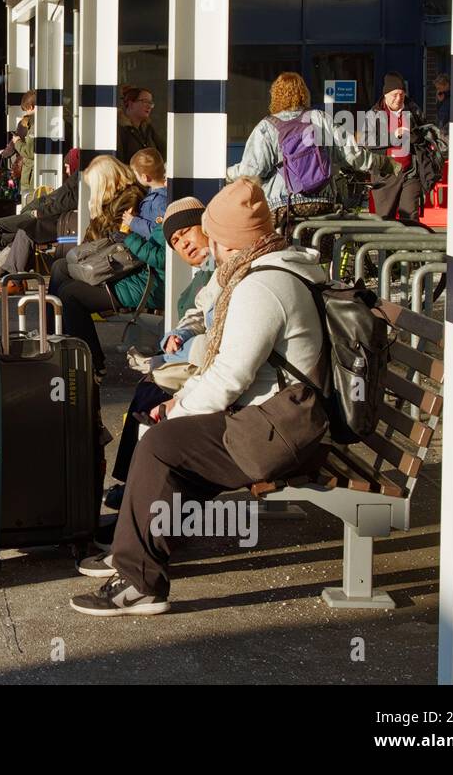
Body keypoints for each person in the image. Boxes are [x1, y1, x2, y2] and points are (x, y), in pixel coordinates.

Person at [71, 178, 328, 616]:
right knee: (170, 439)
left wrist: (177, 413)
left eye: (217, 238)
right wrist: (180, 403)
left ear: (233, 239)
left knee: (161, 445)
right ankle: (136, 551)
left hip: (280, 431)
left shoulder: (262, 286)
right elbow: (227, 368)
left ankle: (140, 580)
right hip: (280, 417)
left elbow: (229, 375)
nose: (213, 249)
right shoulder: (269, 268)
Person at [103, 196, 215, 511]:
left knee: (151, 395)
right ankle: (132, 484)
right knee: (149, 391)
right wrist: (177, 336)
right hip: (202, 365)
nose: (184, 244)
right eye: (176, 241)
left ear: (207, 227)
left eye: (188, 232)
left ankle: (135, 489)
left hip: (222, 379)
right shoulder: (208, 271)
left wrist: (167, 358)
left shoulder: (223, 268)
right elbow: (197, 313)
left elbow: (215, 345)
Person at [46, 158, 163, 379]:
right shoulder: (122, 199)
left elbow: (116, 240)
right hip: (121, 265)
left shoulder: (130, 199)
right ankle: (54, 335)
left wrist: (97, 211)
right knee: (61, 270)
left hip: (126, 268)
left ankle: (89, 360)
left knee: (69, 291)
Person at [230, 72, 387, 230]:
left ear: (275, 96)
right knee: (322, 252)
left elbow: (251, 171)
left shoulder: (266, 127)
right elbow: (350, 153)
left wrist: (228, 173)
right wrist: (382, 163)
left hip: (284, 206)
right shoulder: (320, 118)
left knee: (283, 252)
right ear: (303, 93)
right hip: (322, 202)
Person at [0, 146, 85, 289]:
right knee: (3, 238)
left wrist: (38, 212)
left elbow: (63, 204)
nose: (66, 171)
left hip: (44, 220)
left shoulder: (77, 184)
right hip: (44, 218)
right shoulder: (74, 182)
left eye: (68, 166)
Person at [365, 72, 428, 221]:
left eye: (401, 94)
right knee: (385, 218)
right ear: (385, 95)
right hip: (385, 174)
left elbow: (424, 136)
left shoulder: (413, 111)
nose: (398, 99)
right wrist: (394, 136)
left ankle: (411, 244)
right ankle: (386, 245)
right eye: (394, 95)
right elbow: (367, 142)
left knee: (410, 216)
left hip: (410, 172)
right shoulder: (374, 114)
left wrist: (411, 135)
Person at [125, 148, 168, 239]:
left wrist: (133, 222)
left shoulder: (160, 201)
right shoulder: (153, 193)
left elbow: (158, 234)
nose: (136, 178)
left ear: (145, 177)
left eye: (136, 175)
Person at [118, 85, 164, 162]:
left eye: (150, 103)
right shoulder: (119, 130)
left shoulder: (148, 128)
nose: (149, 106)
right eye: (145, 102)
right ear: (131, 104)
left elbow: (164, 152)